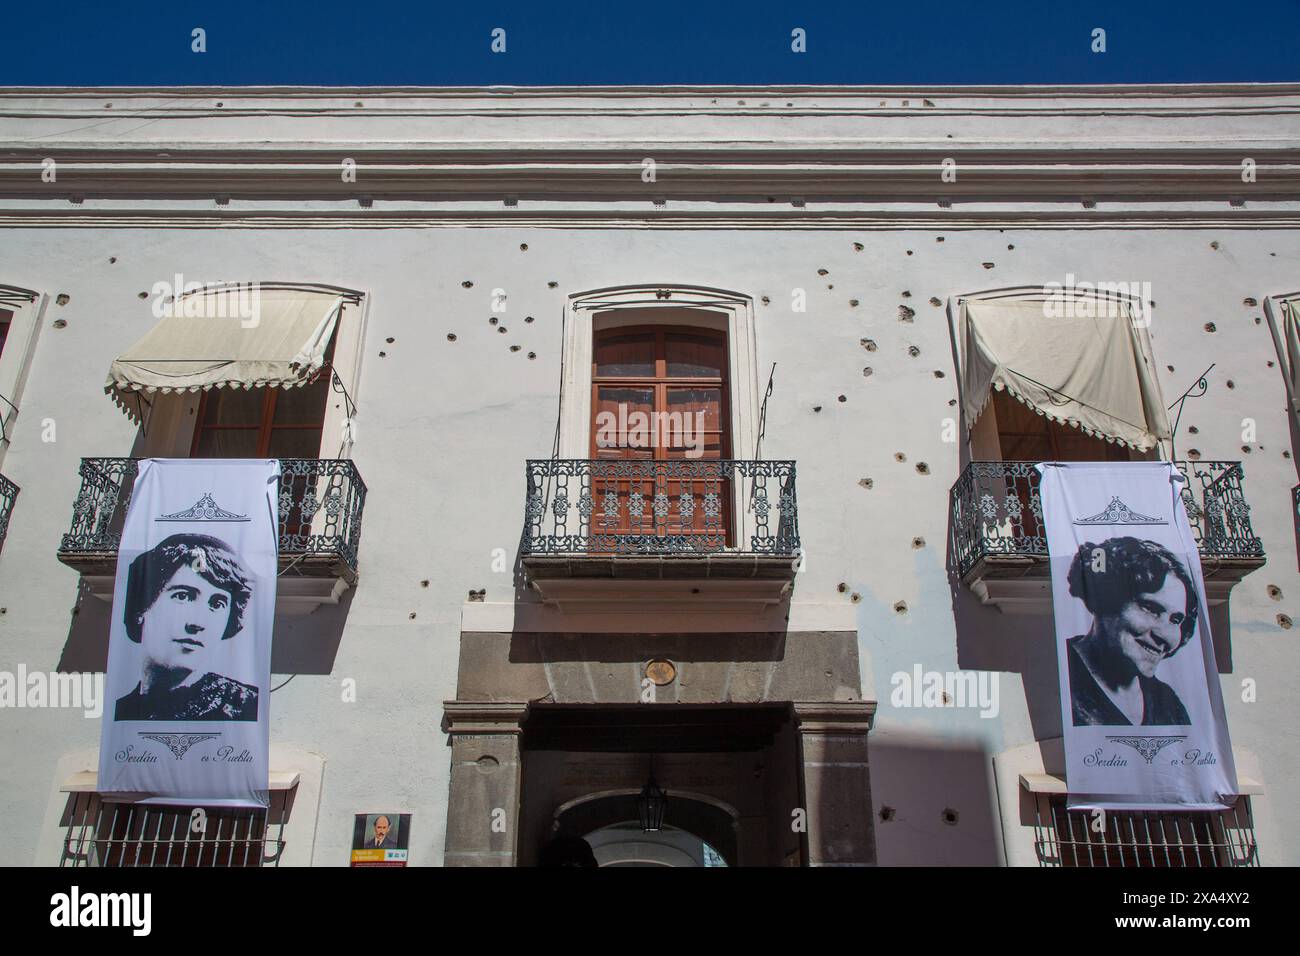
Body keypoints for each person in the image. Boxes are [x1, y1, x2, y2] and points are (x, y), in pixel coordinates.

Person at [114, 533, 258, 722]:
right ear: (142, 608)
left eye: (217, 604)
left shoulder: (247, 705)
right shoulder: (121, 710)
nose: (197, 623)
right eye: (183, 596)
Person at [1065, 536, 1196, 727]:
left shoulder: (1167, 706)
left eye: (1176, 620)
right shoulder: (1059, 673)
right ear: (1105, 599)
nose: (1165, 635)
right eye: (1150, 608)